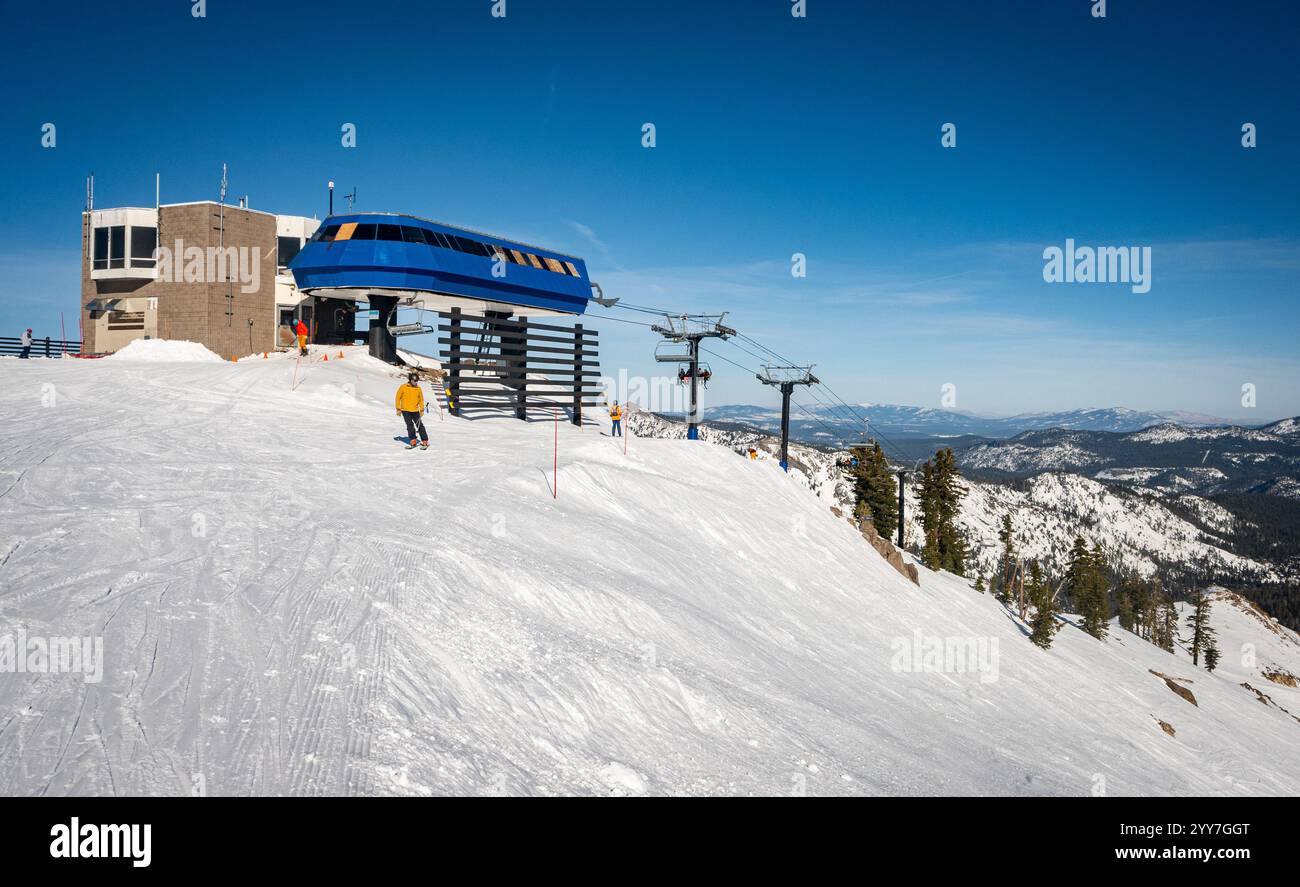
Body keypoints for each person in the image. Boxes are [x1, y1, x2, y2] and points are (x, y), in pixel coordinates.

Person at [395, 372, 429, 450]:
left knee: (420, 425)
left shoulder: (418, 388)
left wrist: (422, 410)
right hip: (405, 410)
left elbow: (421, 399)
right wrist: (398, 409)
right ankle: (413, 440)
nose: (416, 382)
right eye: (415, 380)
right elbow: (398, 397)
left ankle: (425, 441)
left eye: (417, 381)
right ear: (410, 380)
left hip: (415, 410)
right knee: (409, 425)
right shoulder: (403, 387)